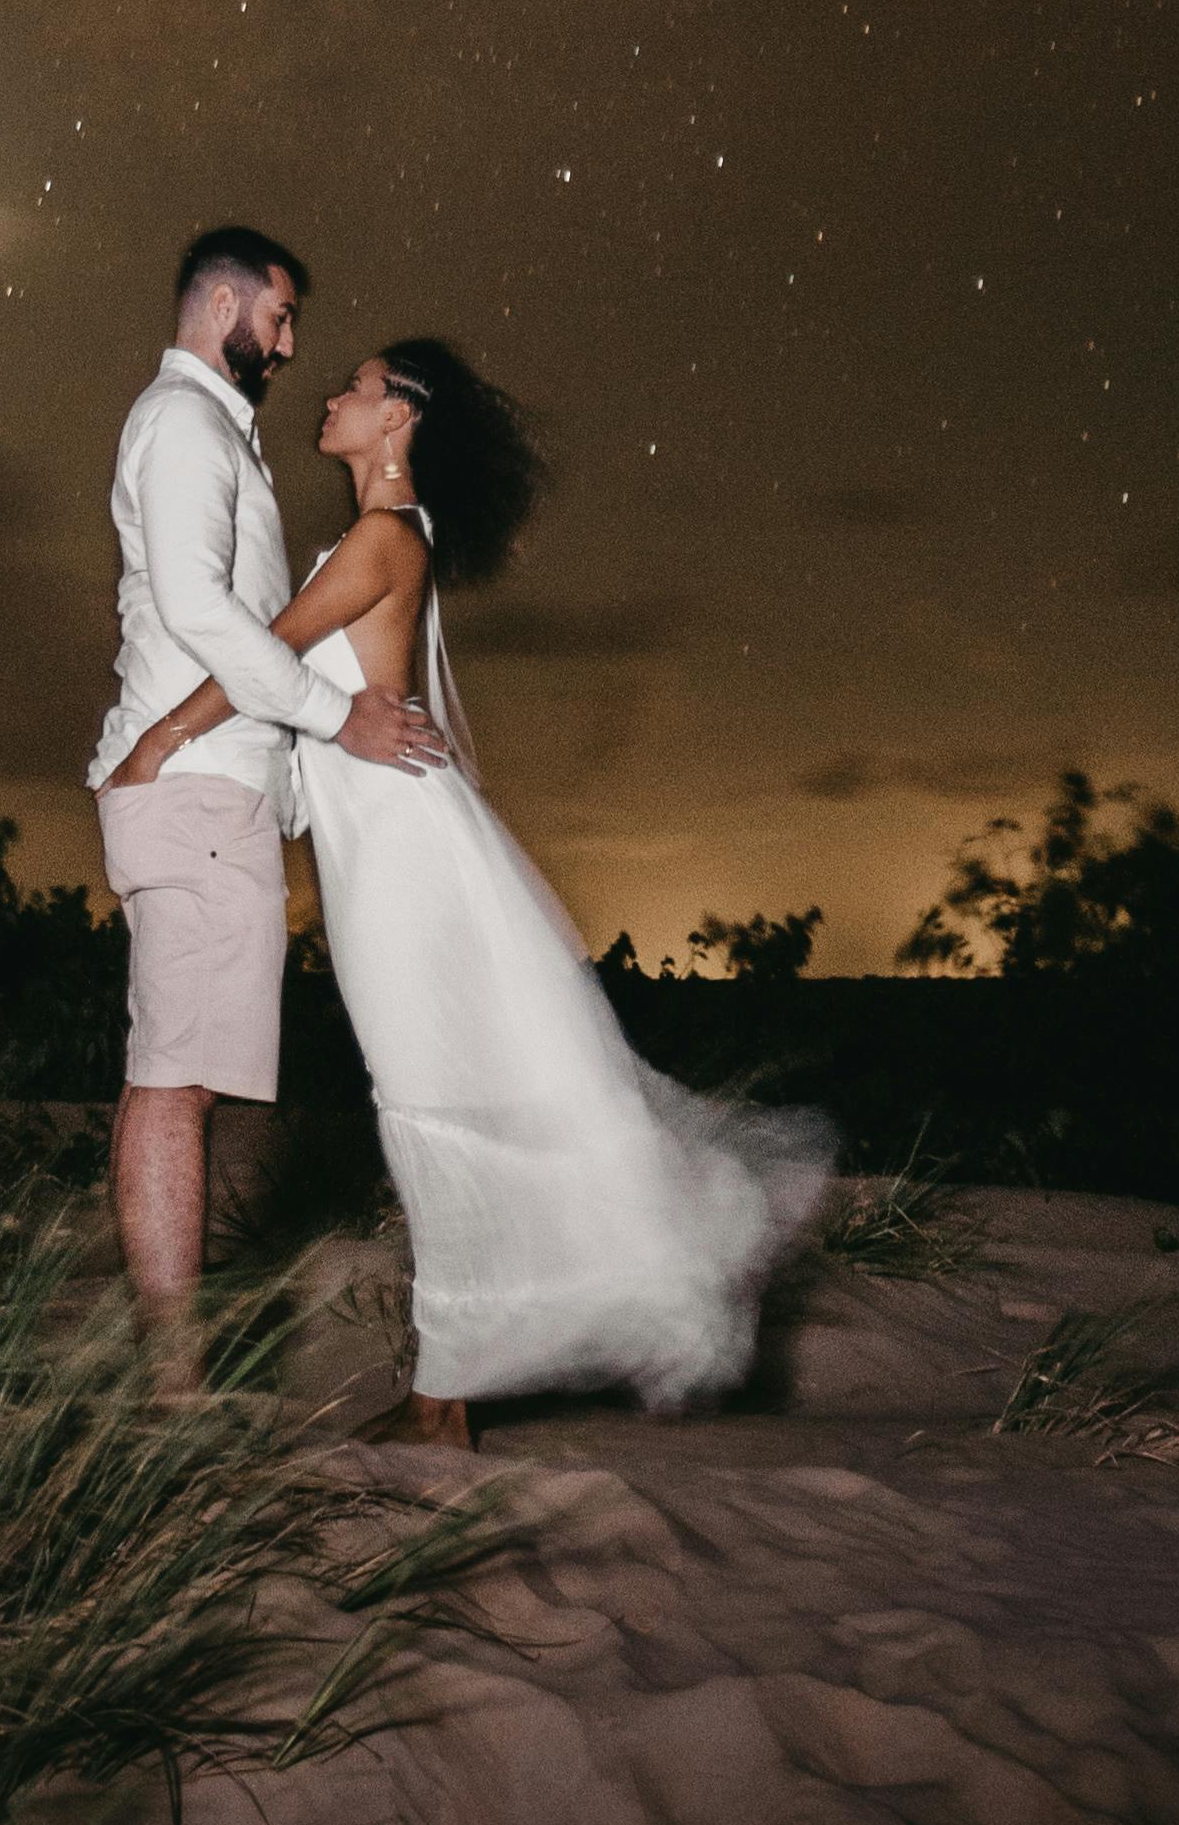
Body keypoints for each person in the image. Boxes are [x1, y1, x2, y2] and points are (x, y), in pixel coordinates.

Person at [106, 330, 828, 1438]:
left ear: (400, 417)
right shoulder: (390, 537)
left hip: (398, 854)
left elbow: (263, 655)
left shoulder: (381, 537)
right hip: (375, 847)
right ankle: (448, 1386)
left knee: (425, 1099)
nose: (333, 396)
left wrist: (157, 738)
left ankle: (444, 1396)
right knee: (427, 1097)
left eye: (355, 386)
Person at [88, 229, 448, 1390]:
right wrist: (329, 721)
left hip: (219, 789)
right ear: (226, 301)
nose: (292, 345)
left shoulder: (213, 433)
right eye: (281, 317)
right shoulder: (185, 422)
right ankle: (175, 1389)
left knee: (185, 1078)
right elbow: (197, 602)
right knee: (172, 1081)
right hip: (195, 791)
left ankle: (176, 1377)